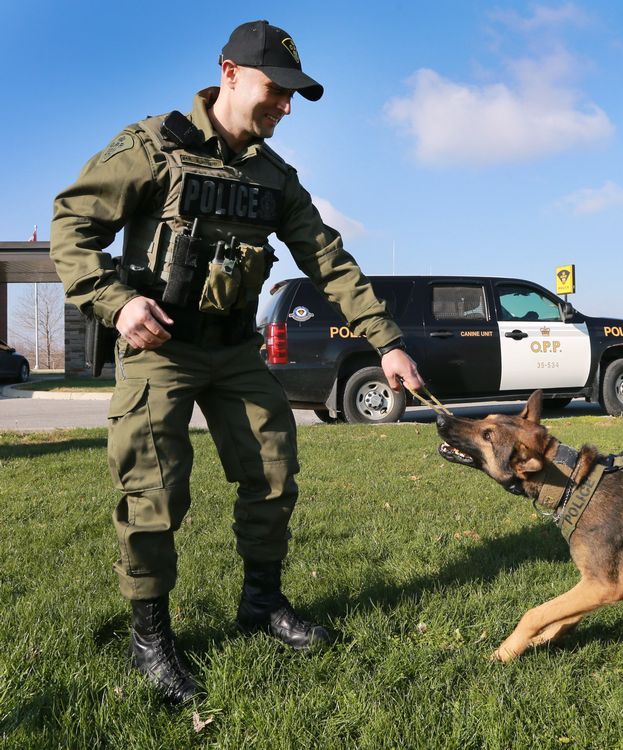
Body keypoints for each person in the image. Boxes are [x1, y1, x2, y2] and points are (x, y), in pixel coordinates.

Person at [50, 20, 424, 703]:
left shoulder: (274, 178)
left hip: (235, 350)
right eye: (275, 91)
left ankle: (261, 604)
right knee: (155, 494)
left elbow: (329, 261)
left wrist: (387, 341)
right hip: (161, 349)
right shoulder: (153, 148)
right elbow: (72, 225)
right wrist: (116, 302)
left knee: (274, 474)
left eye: (293, 98)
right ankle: (150, 638)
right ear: (228, 72)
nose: (284, 107)